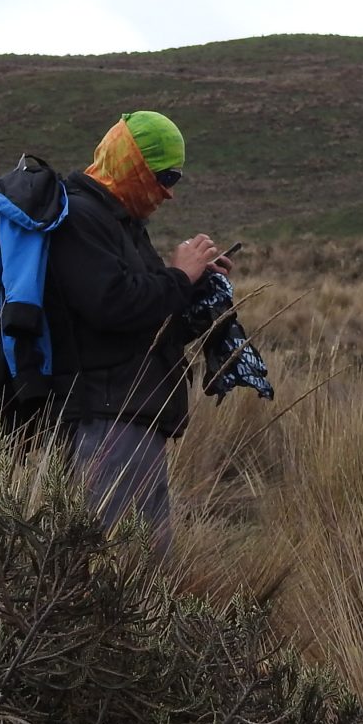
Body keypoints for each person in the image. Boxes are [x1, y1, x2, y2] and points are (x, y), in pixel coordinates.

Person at [43, 110, 230, 558]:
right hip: (106, 413)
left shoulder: (123, 224)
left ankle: (135, 629)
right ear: (133, 164)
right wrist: (179, 278)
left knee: (146, 553)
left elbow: (152, 322)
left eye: (175, 179)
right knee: (116, 556)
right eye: (163, 176)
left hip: (134, 412)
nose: (168, 192)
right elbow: (112, 305)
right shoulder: (80, 218)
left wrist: (197, 288)